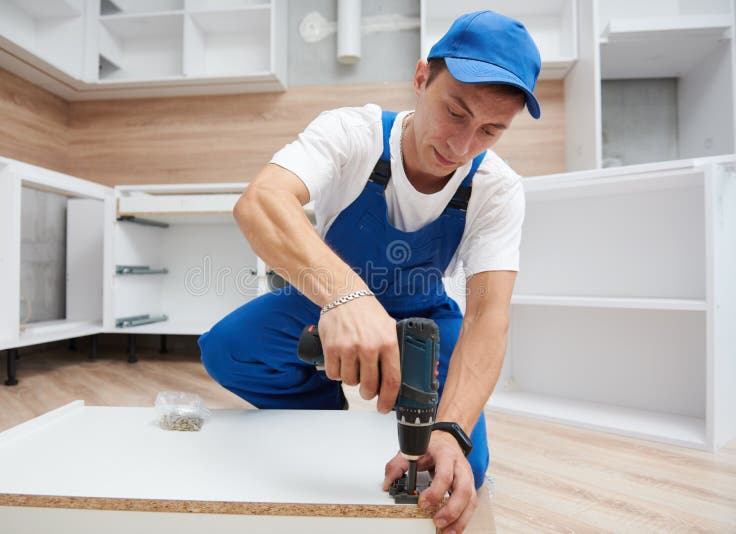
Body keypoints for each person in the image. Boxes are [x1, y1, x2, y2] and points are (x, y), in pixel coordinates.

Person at [199, 10, 541, 533]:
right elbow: (261, 201)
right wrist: (346, 299)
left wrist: (449, 430)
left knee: (456, 470)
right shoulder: (351, 132)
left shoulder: (497, 188)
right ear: (422, 78)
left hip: (424, 317)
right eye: (455, 112)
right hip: (324, 301)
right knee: (229, 349)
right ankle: (323, 415)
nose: (461, 146)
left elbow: (488, 319)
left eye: (490, 130)